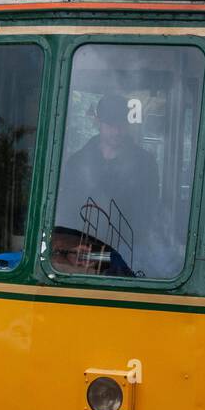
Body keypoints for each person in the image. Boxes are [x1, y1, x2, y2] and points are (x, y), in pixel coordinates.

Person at [54, 93, 159, 274]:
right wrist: (73, 246)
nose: (117, 131)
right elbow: (65, 212)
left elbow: (148, 214)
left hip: (131, 253)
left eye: (121, 124)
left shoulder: (146, 164)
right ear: (98, 123)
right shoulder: (77, 163)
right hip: (82, 252)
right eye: (111, 124)